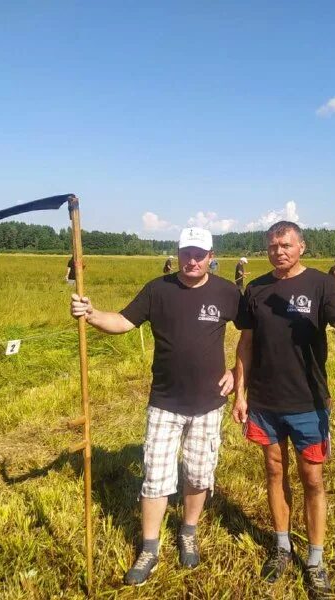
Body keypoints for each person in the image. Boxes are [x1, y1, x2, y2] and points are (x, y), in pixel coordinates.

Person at [71, 227, 240, 585]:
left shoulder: (227, 291)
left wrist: (239, 374)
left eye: (199, 253)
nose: (192, 260)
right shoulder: (157, 289)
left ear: (211, 256)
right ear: (177, 254)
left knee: (198, 472)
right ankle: (149, 547)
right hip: (164, 402)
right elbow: (122, 321)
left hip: (210, 404)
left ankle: (188, 531)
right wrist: (91, 313)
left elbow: (252, 334)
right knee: (156, 476)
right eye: (186, 253)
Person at [232, 221, 335, 599]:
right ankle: (282, 547)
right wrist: (240, 393)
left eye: (286, 244)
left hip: (308, 402)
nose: (279, 251)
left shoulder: (322, 285)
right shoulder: (255, 288)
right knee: (274, 472)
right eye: (273, 246)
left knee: (313, 480)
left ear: (301, 247)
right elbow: (246, 345)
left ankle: (316, 559)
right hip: (265, 401)